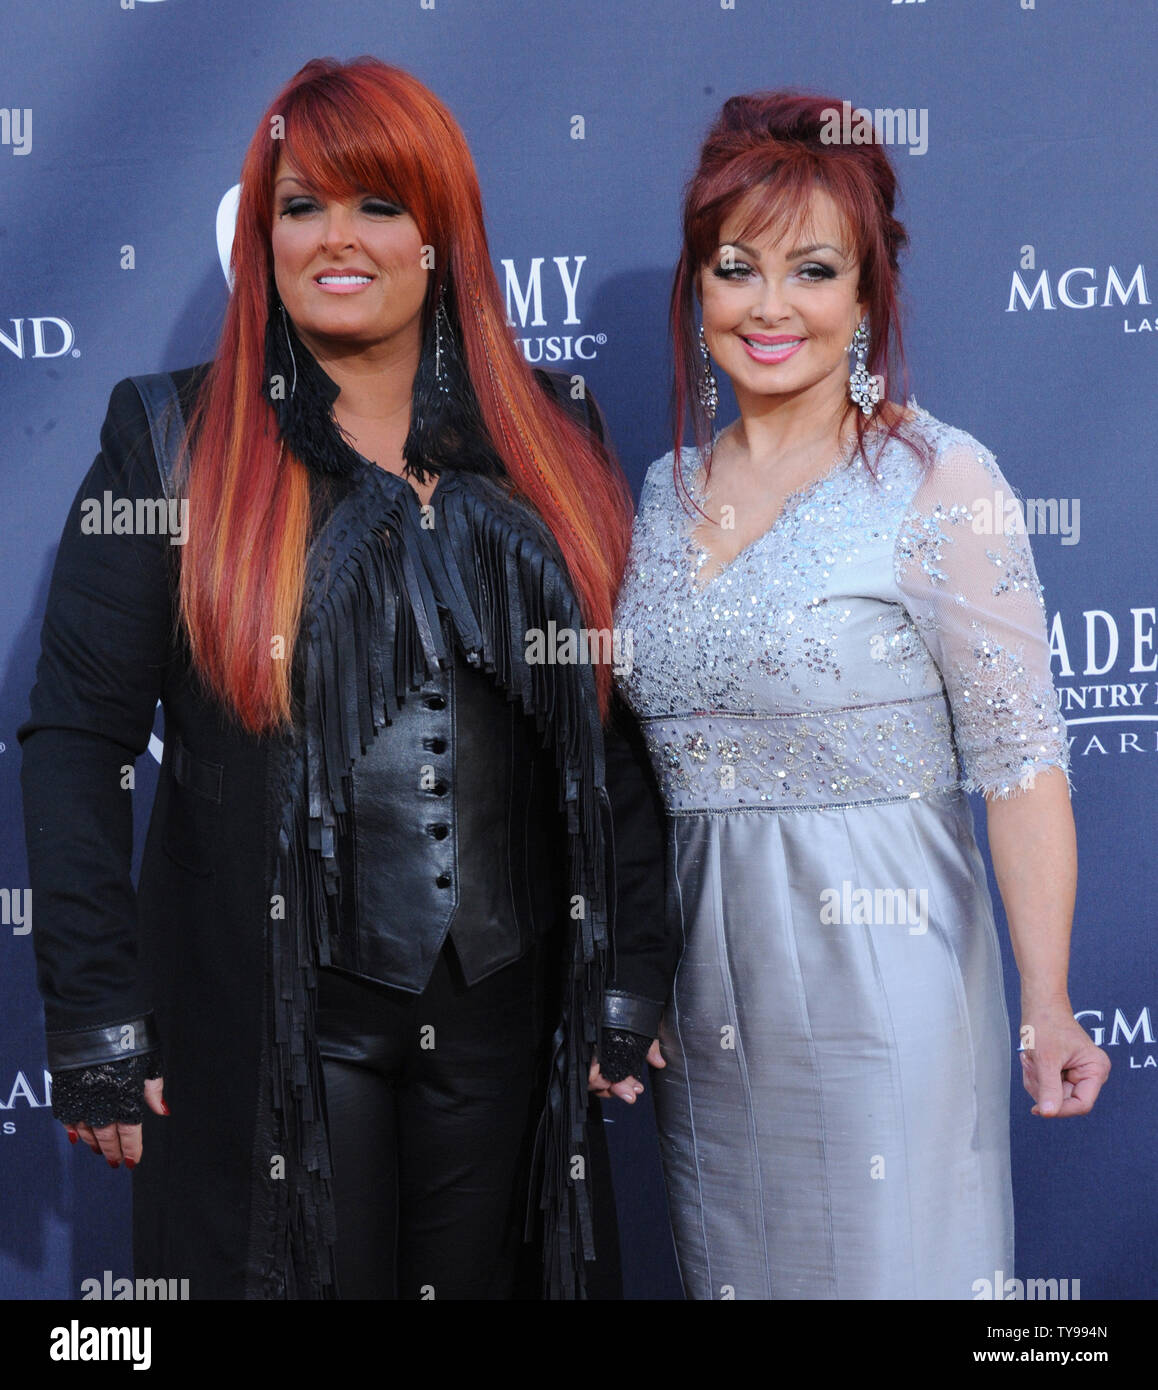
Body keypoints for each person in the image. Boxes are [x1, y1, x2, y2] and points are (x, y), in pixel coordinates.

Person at [19, 56, 675, 1301]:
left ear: (442, 234)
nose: (338, 238)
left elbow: (613, 729)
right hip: (268, 1023)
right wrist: (98, 1026)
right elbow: (74, 742)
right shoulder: (165, 435)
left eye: (379, 204)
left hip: (511, 1014)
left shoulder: (556, 428)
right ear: (261, 233)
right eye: (301, 204)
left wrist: (633, 966)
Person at [613, 91, 1110, 1300]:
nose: (770, 306)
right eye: (737, 269)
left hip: (886, 981)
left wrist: (1046, 1002)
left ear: (868, 296)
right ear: (698, 287)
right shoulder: (661, 490)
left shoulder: (940, 479)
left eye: (813, 270)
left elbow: (1023, 762)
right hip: (706, 1002)